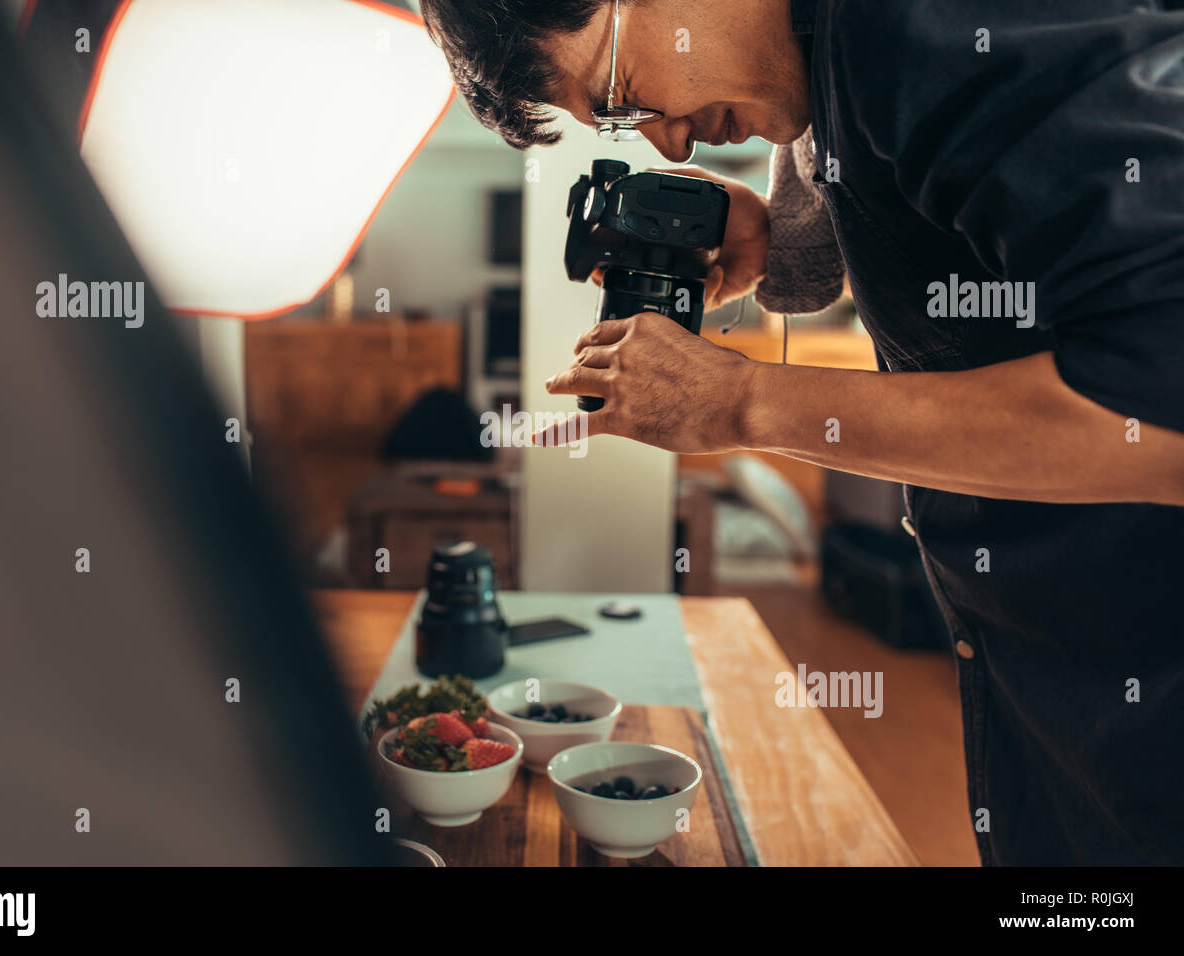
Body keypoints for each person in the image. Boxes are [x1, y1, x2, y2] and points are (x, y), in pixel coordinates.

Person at [419, 0, 1184, 865]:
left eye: (627, 95)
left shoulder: (908, 24)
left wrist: (744, 402)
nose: (670, 146)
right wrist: (784, 239)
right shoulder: (844, 50)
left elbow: (1159, 409)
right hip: (1053, 669)